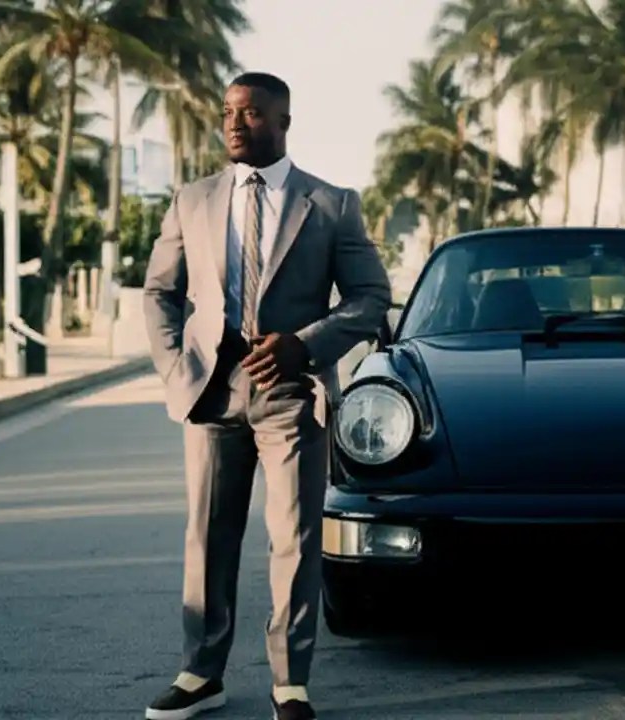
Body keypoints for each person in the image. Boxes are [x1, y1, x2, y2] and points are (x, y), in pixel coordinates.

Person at [141, 72, 392, 720]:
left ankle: (290, 681)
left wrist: (304, 345)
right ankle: (202, 673)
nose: (234, 122)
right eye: (228, 111)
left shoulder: (331, 203)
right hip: (211, 392)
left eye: (250, 112)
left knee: (294, 539)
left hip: (290, 393)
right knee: (208, 537)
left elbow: (370, 298)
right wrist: (175, 369)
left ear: (283, 121)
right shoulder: (192, 200)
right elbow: (160, 292)